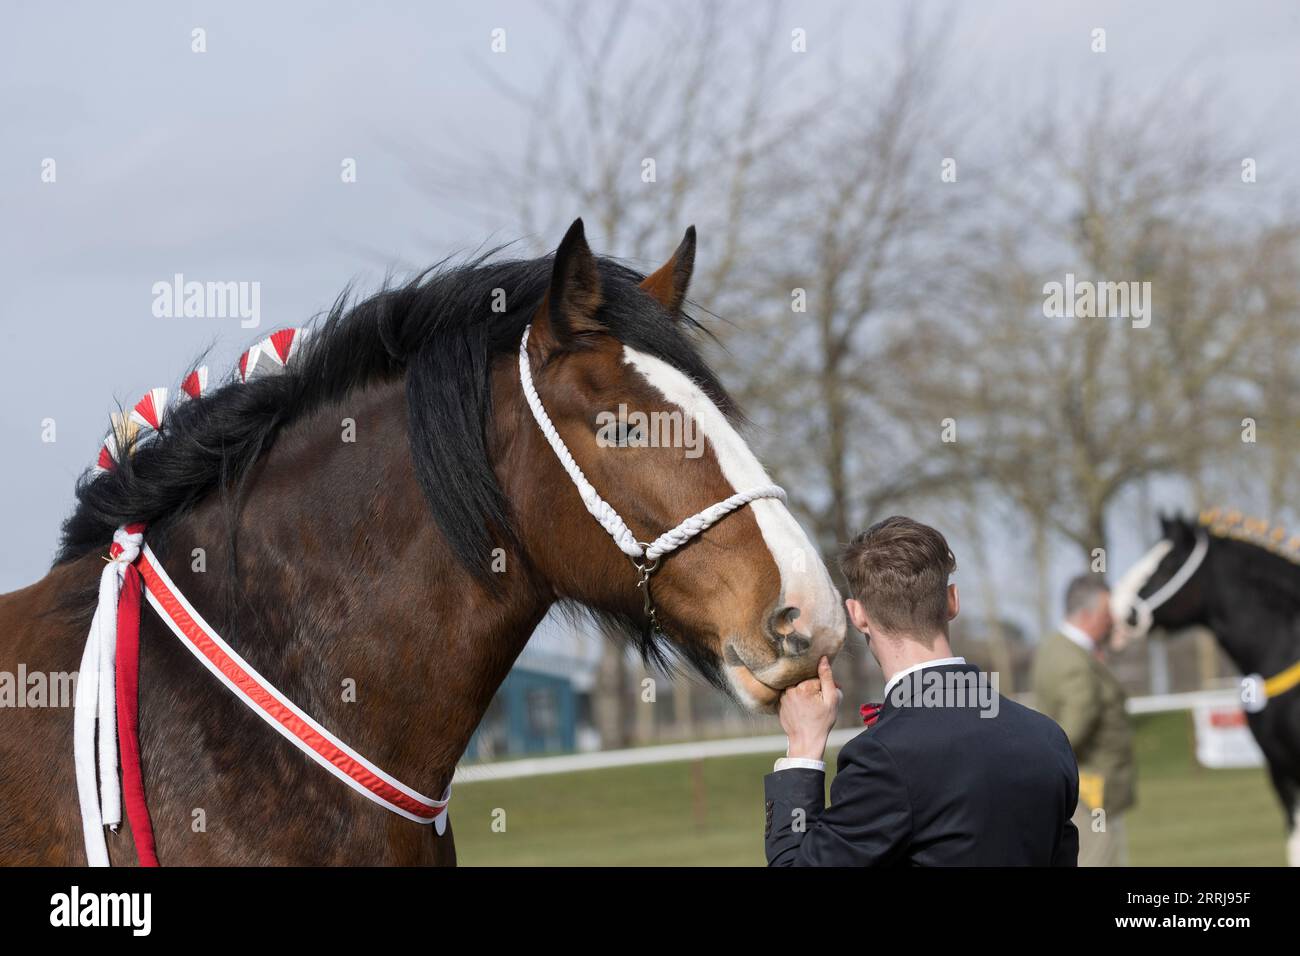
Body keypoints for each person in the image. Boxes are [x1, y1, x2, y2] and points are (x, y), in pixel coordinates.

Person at [764, 516, 1079, 866]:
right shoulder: (1048, 738)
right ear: (952, 601)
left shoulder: (882, 759)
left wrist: (804, 749)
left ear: (857, 615)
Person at [1032, 574, 1135, 867]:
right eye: (1107, 614)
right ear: (1088, 615)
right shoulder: (1076, 661)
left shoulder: (1054, 648)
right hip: (1092, 794)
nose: (1112, 620)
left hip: (1081, 792)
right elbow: (1071, 730)